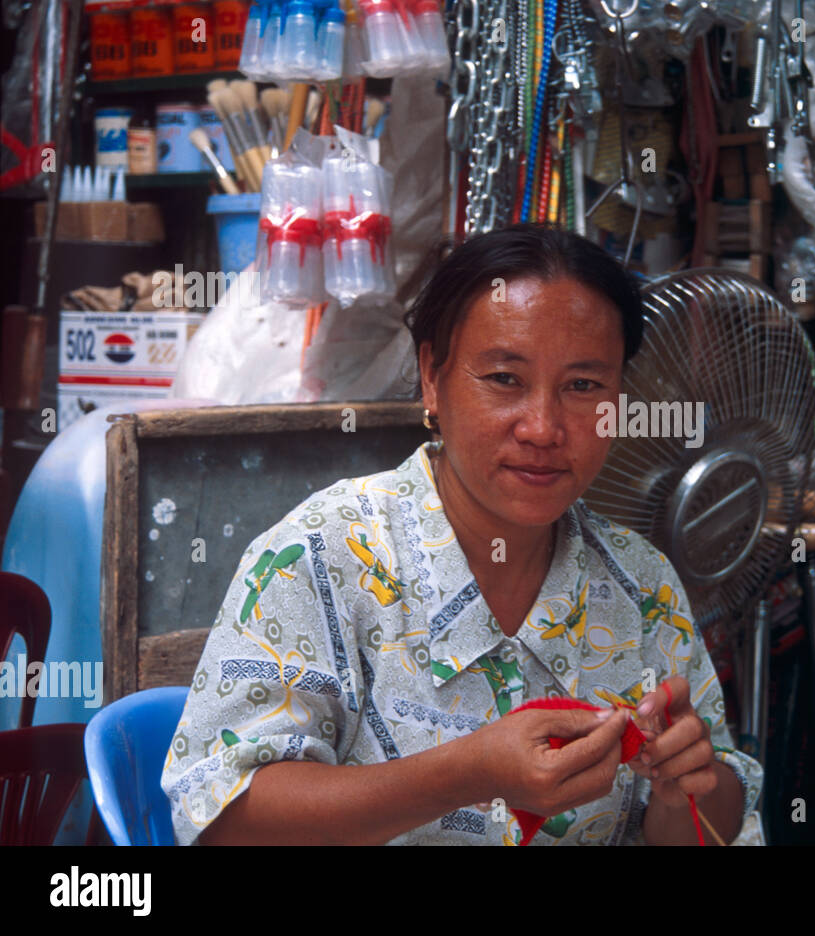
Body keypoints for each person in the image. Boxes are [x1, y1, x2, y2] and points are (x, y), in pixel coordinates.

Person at [162, 224, 763, 845]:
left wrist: (689, 783)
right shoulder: (321, 555)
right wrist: (465, 772)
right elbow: (223, 822)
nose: (543, 427)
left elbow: (706, 830)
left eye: (584, 386)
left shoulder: (642, 586)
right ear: (431, 376)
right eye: (504, 378)